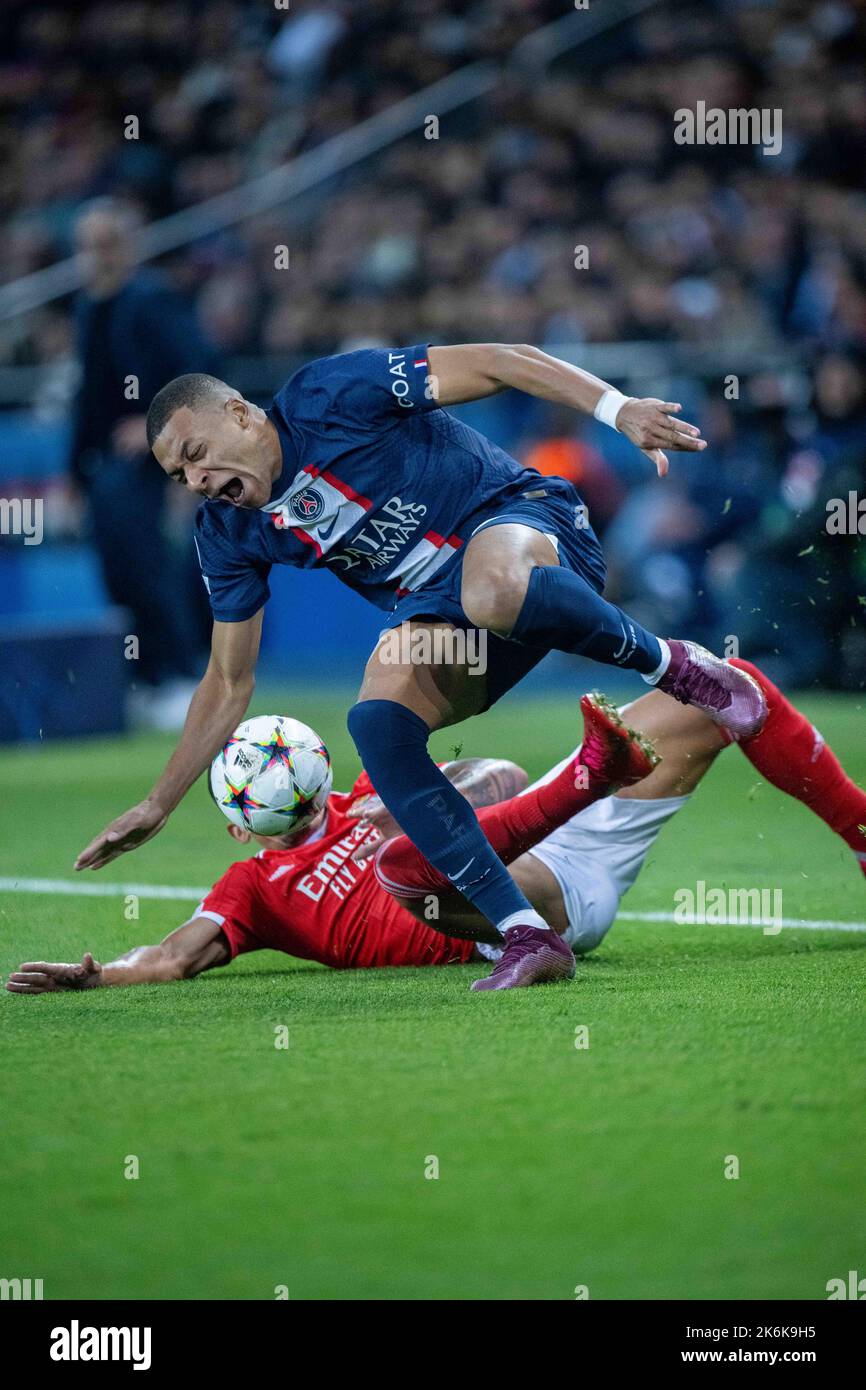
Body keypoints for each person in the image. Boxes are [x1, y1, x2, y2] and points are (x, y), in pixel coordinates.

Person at [74, 342, 767, 992]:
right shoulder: (228, 532)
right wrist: (158, 803)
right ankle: (526, 935)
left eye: (196, 453)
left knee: (489, 588)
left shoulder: (327, 395)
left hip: (529, 528)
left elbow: (500, 361)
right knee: (378, 723)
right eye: (178, 474)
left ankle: (674, 666)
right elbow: (227, 680)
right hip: (452, 621)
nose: (195, 479)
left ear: (241, 414)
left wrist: (620, 410)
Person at [16, 661, 865, 995]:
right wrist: (101, 977)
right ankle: (590, 774)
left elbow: (494, 778)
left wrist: (444, 784)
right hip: (514, 916)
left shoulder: (368, 791)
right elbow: (172, 957)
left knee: (714, 688)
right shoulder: (254, 889)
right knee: (403, 863)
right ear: (244, 833)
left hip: (550, 839)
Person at [69, 197, 216, 728]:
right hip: (106, 466)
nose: (97, 255)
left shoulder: (153, 300)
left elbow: (199, 369)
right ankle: (149, 676)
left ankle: (179, 675)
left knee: (155, 566)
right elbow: (87, 396)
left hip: (160, 459)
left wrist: (155, 421)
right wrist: (72, 469)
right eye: (89, 244)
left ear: (128, 246)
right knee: (119, 571)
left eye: (106, 243)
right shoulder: (90, 308)